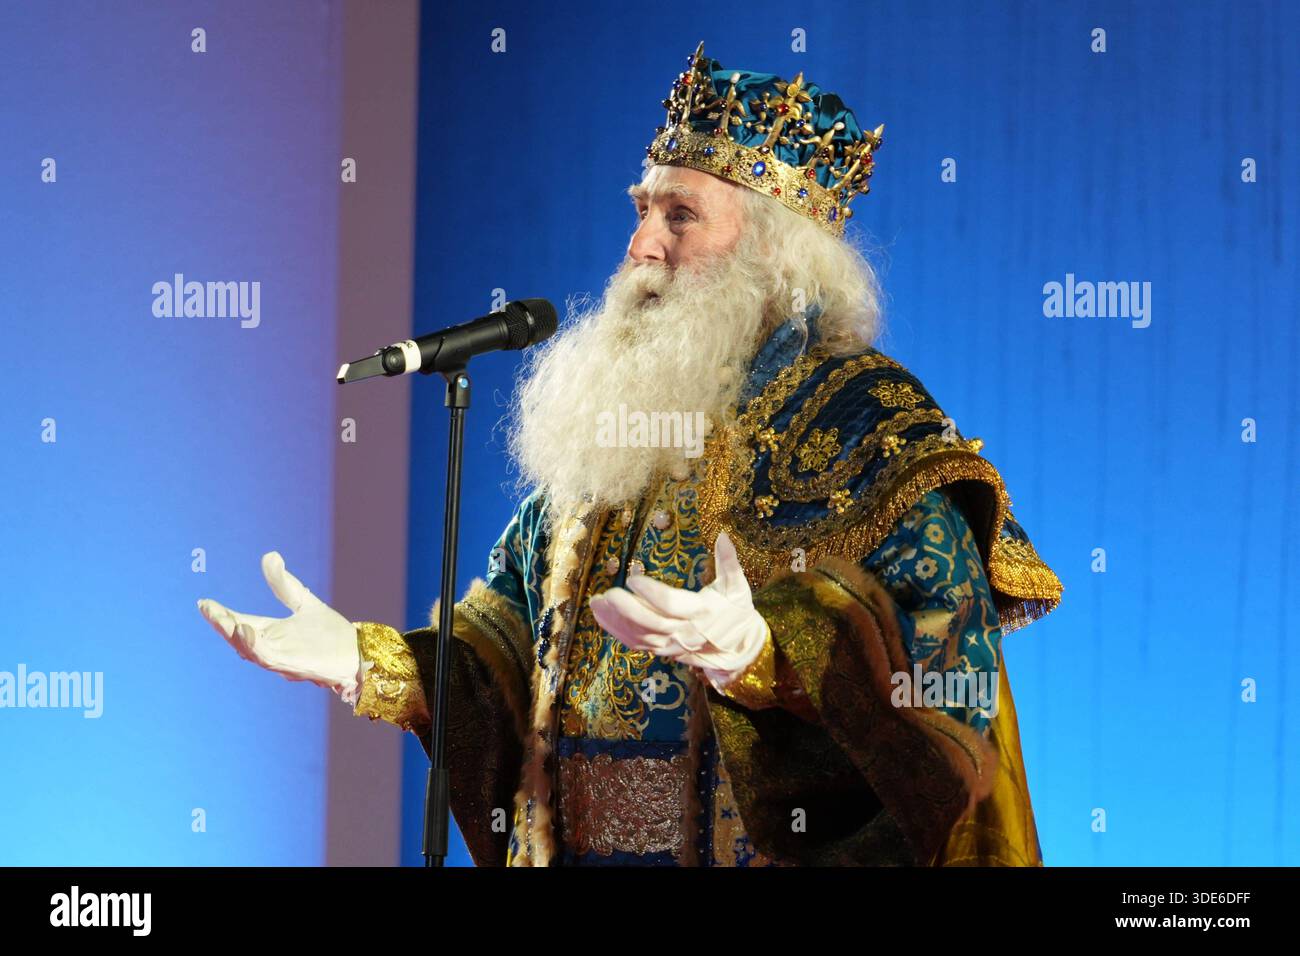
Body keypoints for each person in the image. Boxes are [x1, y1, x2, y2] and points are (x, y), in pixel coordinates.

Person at [198, 42, 1061, 867]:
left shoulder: (865, 418)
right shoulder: (621, 420)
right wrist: (366, 660)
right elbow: (506, 641)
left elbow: (950, 679)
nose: (642, 244)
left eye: (680, 215)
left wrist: (767, 652)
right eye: (641, 209)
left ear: (774, 254)